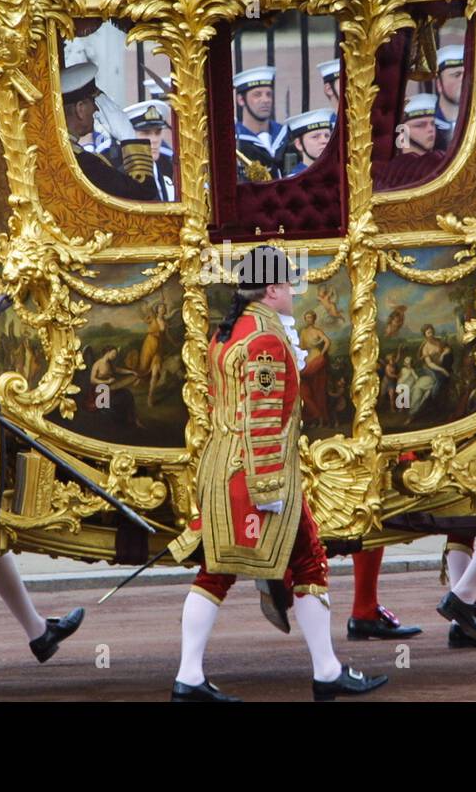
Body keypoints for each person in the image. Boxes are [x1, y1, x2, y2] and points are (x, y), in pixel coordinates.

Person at [166, 246, 388, 701]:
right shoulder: (265, 340)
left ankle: (323, 671)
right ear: (271, 290)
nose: (292, 293)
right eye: (288, 285)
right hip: (256, 475)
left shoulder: (230, 332)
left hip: (227, 468)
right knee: (232, 571)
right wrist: (268, 486)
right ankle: (195, 677)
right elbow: (263, 419)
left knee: (265, 566)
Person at [62, 63, 159, 201]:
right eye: (93, 102)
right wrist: (128, 135)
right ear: (80, 109)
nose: (96, 109)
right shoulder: (83, 163)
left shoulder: (66, 153)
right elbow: (144, 192)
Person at [380, 93, 451, 190]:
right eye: (420, 125)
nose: (430, 129)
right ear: (402, 130)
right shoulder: (388, 172)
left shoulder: (442, 164)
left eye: (433, 124)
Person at [233, 66, 286, 180]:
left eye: (269, 94)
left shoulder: (286, 135)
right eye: (257, 95)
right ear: (241, 100)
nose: (266, 100)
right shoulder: (235, 141)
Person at [124, 100, 176, 201]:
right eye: (145, 133)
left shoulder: (167, 180)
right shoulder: (121, 180)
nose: (155, 140)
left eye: (158, 132)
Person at [283, 108, 333, 175]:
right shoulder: (293, 181)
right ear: (299, 144)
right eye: (315, 137)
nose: (324, 141)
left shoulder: (339, 175)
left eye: (327, 136)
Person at [433, 44, 464, 151]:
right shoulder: (428, 125)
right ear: (439, 85)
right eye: (457, 75)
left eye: (468, 75)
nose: (464, 80)